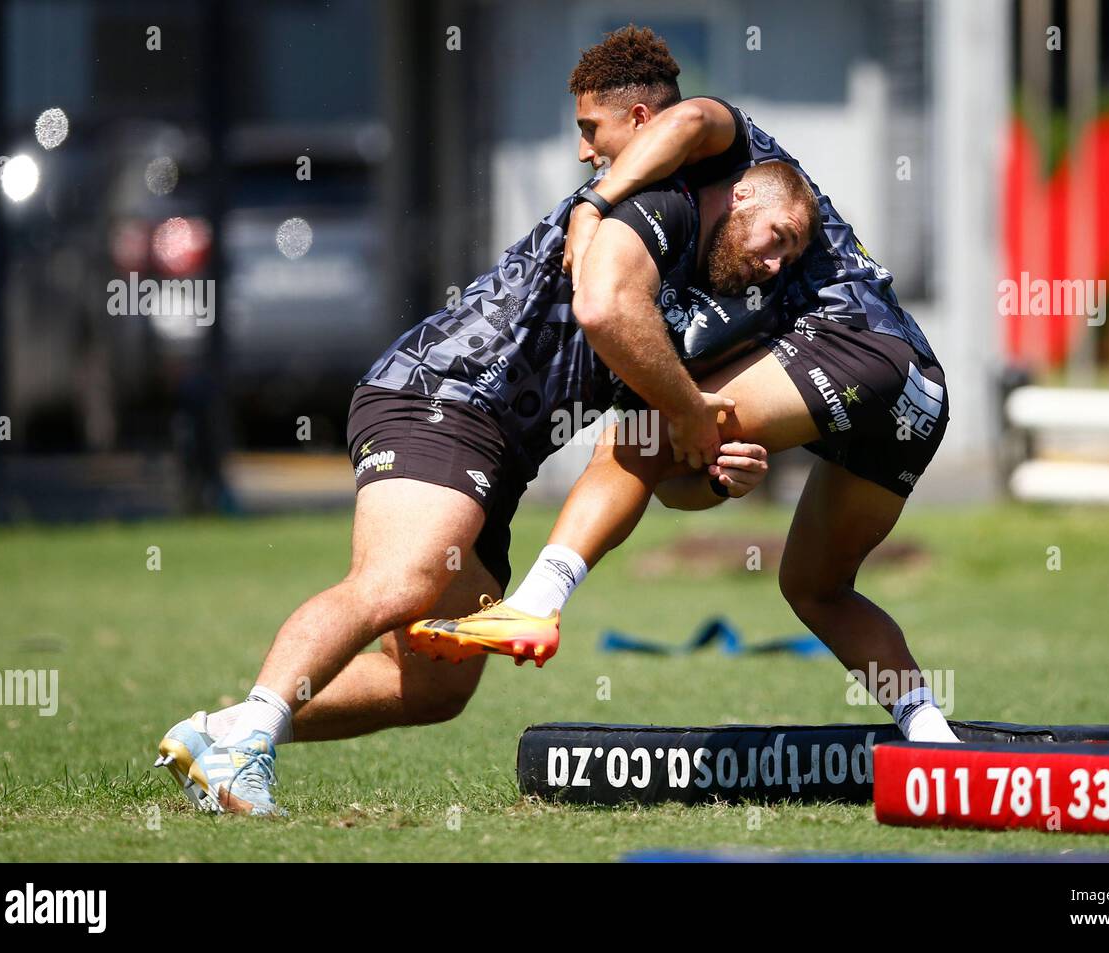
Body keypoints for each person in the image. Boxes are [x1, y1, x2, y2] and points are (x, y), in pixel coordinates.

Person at [154, 137, 819, 815]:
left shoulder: (694, 301)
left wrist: (712, 474)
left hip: (497, 461)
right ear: (741, 193)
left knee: (431, 691)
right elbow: (610, 300)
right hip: (443, 398)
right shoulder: (656, 211)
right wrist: (689, 409)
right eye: (777, 238)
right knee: (396, 580)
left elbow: (636, 461)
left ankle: (221, 730)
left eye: (787, 259)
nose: (772, 264)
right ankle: (246, 754)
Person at [411, 26, 960, 748]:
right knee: (815, 587)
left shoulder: (739, 155)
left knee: (637, 429)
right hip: (917, 401)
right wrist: (718, 474)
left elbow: (693, 119)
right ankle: (935, 741)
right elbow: (675, 485)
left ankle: (536, 601)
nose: (774, 264)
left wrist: (593, 202)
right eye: (776, 242)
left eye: (591, 131)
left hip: (868, 348)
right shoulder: (700, 270)